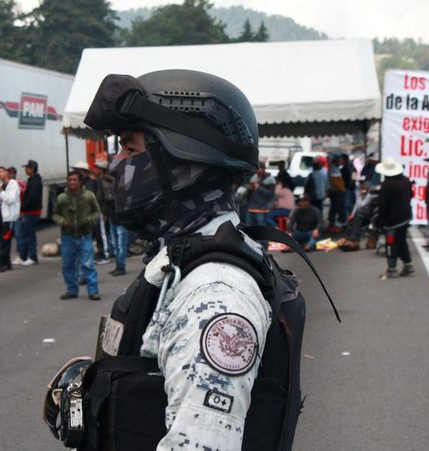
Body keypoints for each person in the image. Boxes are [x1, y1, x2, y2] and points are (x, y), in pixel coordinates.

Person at [78, 69, 281, 449]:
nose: (114, 164)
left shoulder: (215, 297)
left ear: (186, 162)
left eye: (130, 148)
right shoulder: (182, 262)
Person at [53, 171, 101, 300]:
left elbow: (97, 212)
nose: (72, 182)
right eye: (69, 180)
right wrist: (62, 221)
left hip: (85, 236)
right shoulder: (62, 198)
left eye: (74, 180)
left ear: (80, 182)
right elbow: (55, 214)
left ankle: (93, 290)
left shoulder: (88, 196)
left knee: (88, 265)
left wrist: (88, 220)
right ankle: (72, 290)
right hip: (67, 236)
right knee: (68, 265)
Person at [375, 157, 414, 279]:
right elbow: (411, 195)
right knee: (402, 241)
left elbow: (383, 205)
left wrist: (381, 219)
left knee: (391, 243)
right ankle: (408, 264)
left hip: (392, 220)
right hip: (405, 216)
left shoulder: (387, 185)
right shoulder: (406, 180)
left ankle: (392, 268)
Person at [0, 166, 20, 272]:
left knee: (5, 240)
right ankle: (7, 262)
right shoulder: (0, 186)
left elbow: (10, 200)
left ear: (7, 173)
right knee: (2, 241)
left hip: (10, 218)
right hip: (1, 217)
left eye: (1, 171)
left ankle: (1, 263)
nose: (0, 174)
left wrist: (1, 191)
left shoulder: (13, 185)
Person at [15, 159, 42, 266]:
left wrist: (23, 207)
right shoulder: (32, 180)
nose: (26, 170)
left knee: (30, 235)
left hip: (32, 211)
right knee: (26, 234)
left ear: (32, 169)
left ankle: (33, 256)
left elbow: (31, 198)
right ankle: (24, 256)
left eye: (27, 168)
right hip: (30, 211)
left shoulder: (35, 181)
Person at [245, 161, 276, 226]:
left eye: (260, 171)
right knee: (249, 229)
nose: (258, 173)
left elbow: (270, 194)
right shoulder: (254, 177)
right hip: (251, 208)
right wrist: (249, 188)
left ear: (264, 169)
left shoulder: (270, 179)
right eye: (257, 171)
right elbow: (249, 193)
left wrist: (259, 188)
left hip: (262, 209)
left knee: (261, 229)